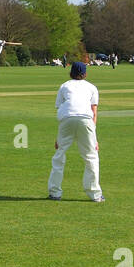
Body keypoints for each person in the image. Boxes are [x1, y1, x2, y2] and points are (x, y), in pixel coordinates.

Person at [47, 62, 103, 202]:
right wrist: (94, 139)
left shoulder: (64, 86)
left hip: (67, 120)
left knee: (59, 155)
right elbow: (94, 113)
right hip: (86, 120)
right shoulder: (91, 87)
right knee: (91, 157)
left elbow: (62, 109)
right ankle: (95, 194)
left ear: (70, 72)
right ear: (85, 74)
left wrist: (58, 138)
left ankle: (55, 193)